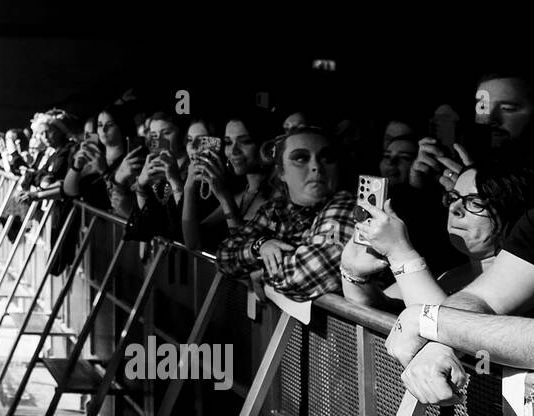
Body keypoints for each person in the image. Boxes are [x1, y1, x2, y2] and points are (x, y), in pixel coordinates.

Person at [341, 160, 534, 309]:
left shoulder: (521, 286)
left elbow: (450, 332)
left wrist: (400, 252)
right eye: (453, 197)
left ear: (511, 210)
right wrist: (353, 275)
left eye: (475, 202)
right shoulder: (449, 274)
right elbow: (380, 307)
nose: (455, 208)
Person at [216, 126, 359, 300]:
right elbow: (224, 255)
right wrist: (259, 246)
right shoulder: (275, 209)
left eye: (327, 158)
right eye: (301, 158)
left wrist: (261, 270)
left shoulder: (347, 206)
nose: (316, 167)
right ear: (281, 171)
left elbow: (305, 275)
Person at [182, 112, 271, 253]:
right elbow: (192, 243)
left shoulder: (277, 197)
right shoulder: (243, 194)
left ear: (265, 145)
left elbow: (242, 252)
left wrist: (223, 194)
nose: (234, 151)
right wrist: (189, 187)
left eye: (245, 141)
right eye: (229, 142)